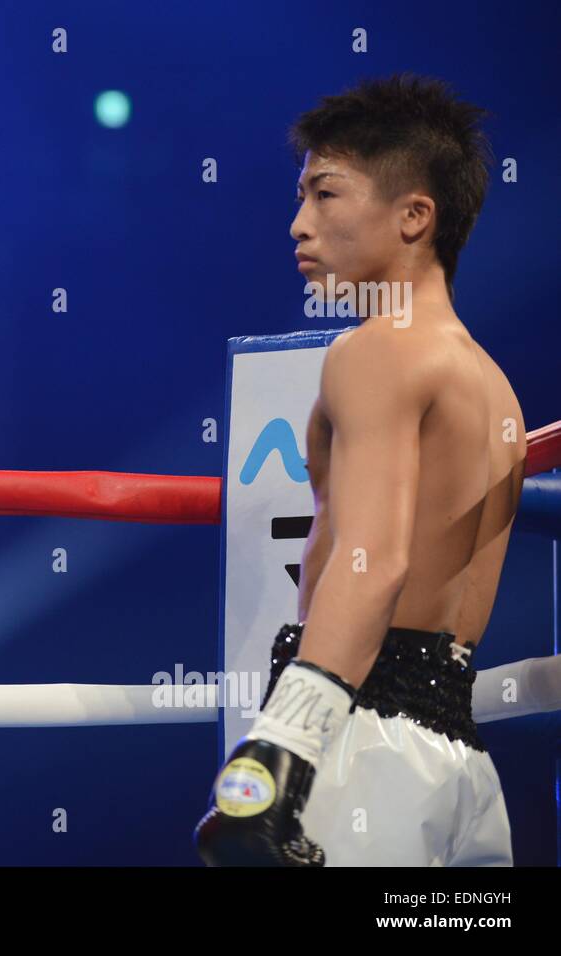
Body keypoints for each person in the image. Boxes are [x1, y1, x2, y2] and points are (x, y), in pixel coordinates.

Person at [195, 75, 521, 866]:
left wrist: (276, 750)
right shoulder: (489, 378)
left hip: (357, 745)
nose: (298, 224)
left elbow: (373, 564)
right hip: (459, 767)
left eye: (325, 194)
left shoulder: (375, 349)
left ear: (415, 215)